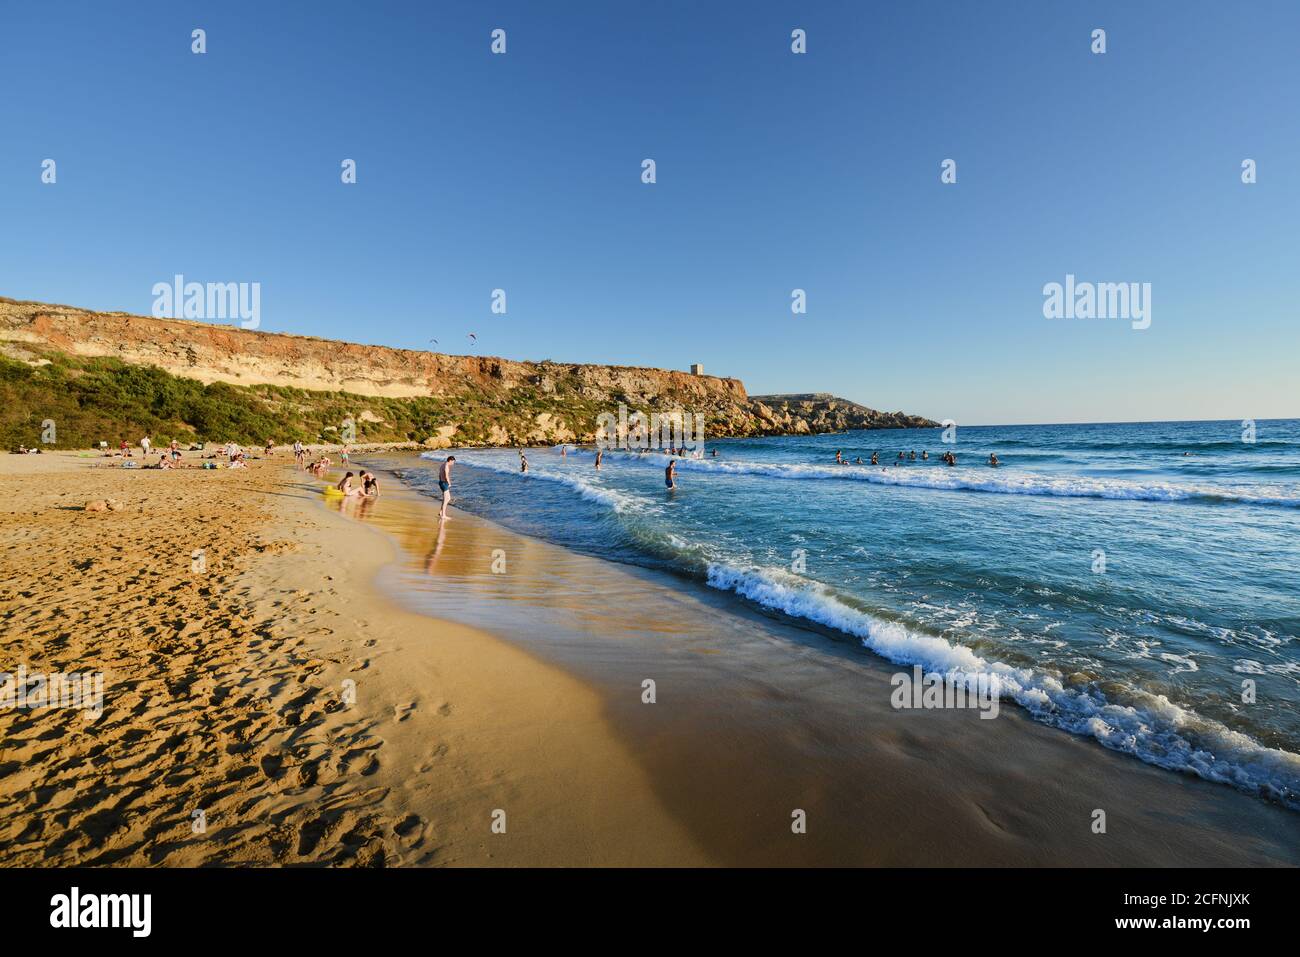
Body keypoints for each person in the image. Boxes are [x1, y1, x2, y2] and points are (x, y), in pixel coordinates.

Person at [438, 455, 456, 520]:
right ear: (450, 460)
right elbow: (446, 476)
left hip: (441, 482)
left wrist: (441, 481)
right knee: (447, 499)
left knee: (446, 498)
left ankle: (441, 512)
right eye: (453, 462)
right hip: (444, 483)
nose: (453, 463)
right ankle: (443, 515)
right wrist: (449, 483)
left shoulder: (443, 465)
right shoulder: (446, 466)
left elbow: (440, 474)